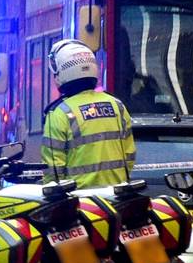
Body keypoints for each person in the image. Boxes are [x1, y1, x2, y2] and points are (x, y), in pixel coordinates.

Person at [41, 40, 135, 188]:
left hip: (79, 201)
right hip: (118, 196)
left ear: (62, 74)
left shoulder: (58, 113)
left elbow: (53, 170)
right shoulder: (117, 105)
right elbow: (129, 155)